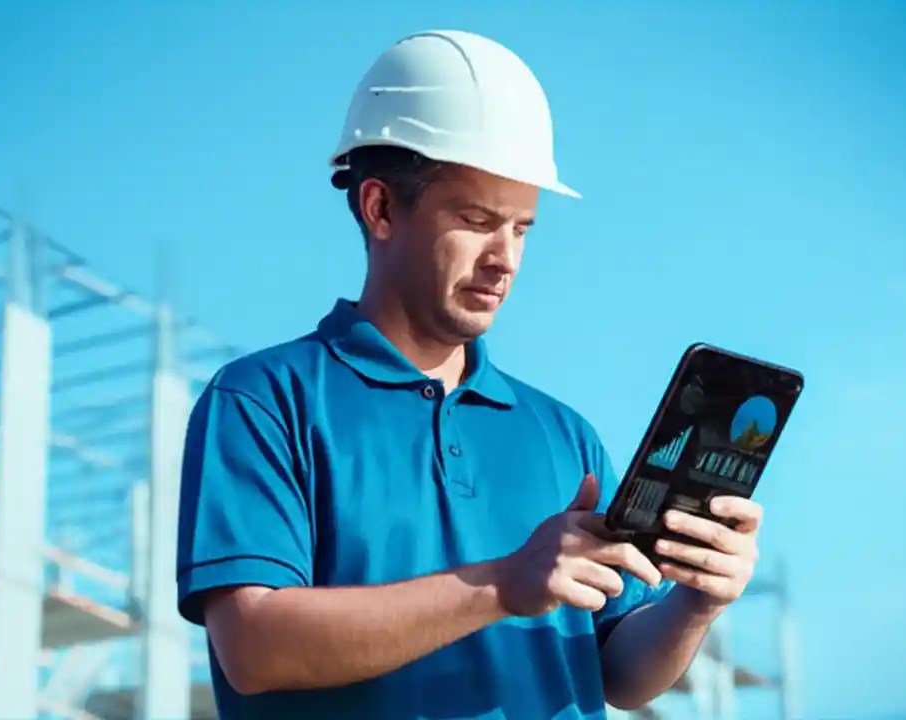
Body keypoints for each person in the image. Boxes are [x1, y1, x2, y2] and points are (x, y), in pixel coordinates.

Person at [176, 29, 764, 719]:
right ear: (380, 207)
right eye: (477, 220)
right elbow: (254, 647)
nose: (504, 259)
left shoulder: (564, 436)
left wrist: (698, 601)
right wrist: (503, 584)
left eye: (521, 229)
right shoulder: (262, 401)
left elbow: (618, 675)